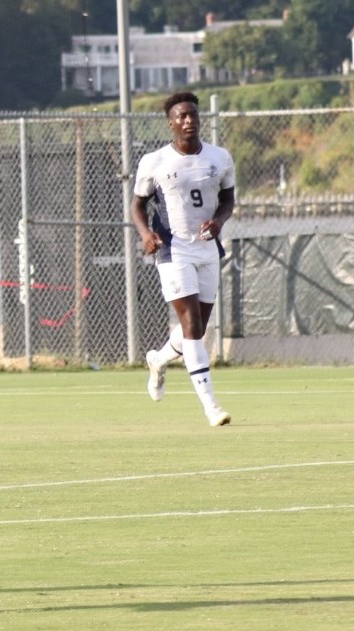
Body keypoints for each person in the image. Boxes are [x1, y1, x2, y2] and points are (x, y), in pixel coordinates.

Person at [132, 90, 235, 427]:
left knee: (198, 327)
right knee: (192, 326)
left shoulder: (219, 158)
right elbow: (137, 206)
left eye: (193, 114)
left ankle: (159, 360)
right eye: (182, 116)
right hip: (173, 250)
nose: (189, 120)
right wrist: (146, 234)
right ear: (171, 123)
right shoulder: (154, 162)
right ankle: (211, 406)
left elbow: (228, 199)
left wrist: (219, 221)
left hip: (207, 247)